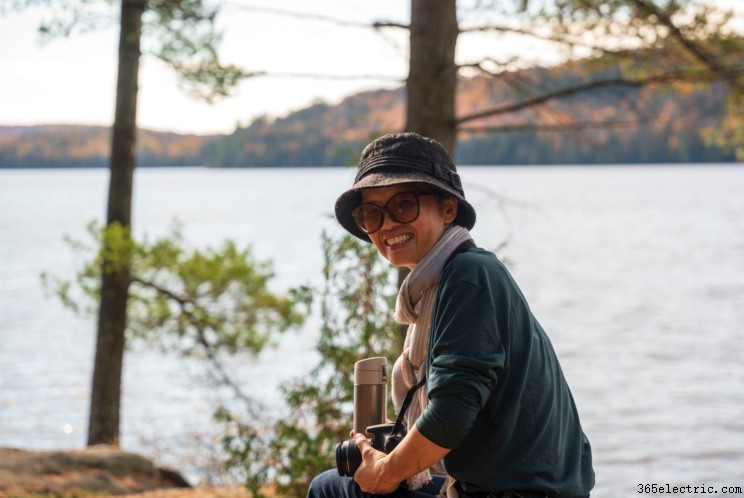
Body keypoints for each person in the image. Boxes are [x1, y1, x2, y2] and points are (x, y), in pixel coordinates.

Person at [307, 132, 594, 498]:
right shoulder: (441, 284)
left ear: (448, 208)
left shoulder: (469, 276)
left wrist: (384, 473)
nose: (387, 225)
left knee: (331, 489)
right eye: (371, 213)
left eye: (404, 204)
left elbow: (450, 414)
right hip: (509, 486)